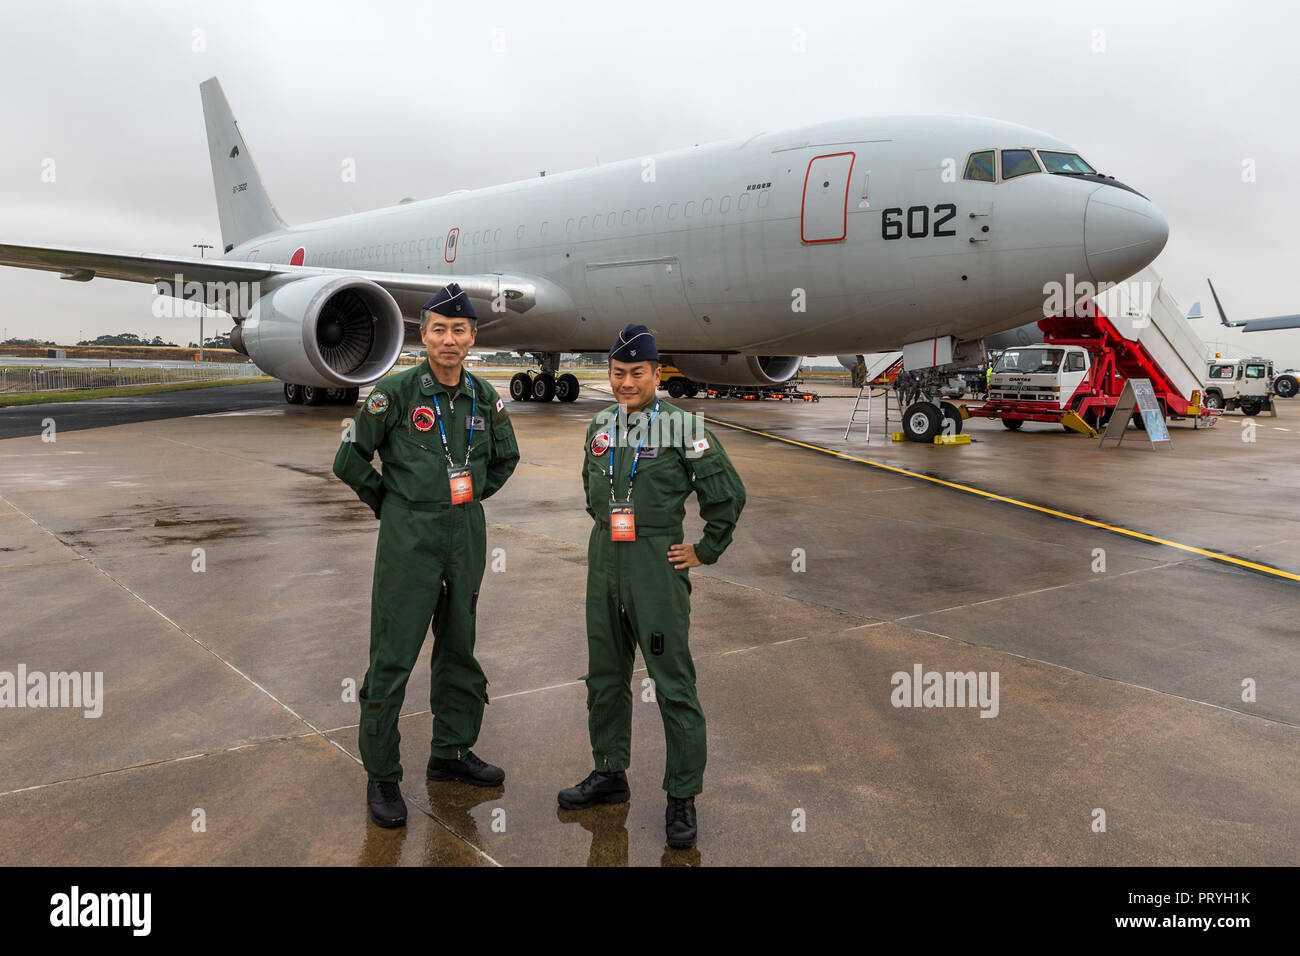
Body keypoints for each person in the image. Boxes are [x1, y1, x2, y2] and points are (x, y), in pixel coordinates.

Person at [332, 282, 519, 828]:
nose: (449, 339)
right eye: (439, 329)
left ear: (472, 337)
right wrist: (391, 505)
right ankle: (383, 775)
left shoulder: (485, 397)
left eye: (459, 330)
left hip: (465, 536)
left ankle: (451, 753)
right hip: (408, 539)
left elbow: (505, 460)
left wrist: (469, 497)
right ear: (424, 335)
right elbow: (350, 460)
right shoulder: (393, 394)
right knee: (392, 657)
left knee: (460, 648)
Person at [558, 324, 746, 850]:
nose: (625, 382)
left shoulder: (684, 428)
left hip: (655, 566)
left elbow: (727, 495)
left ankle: (681, 795)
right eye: (617, 373)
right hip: (604, 561)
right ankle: (609, 773)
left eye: (636, 373)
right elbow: (591, 487)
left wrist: (704, 551)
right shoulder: (598, 423)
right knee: (604, 676)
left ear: (656, 375)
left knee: (672, 684)